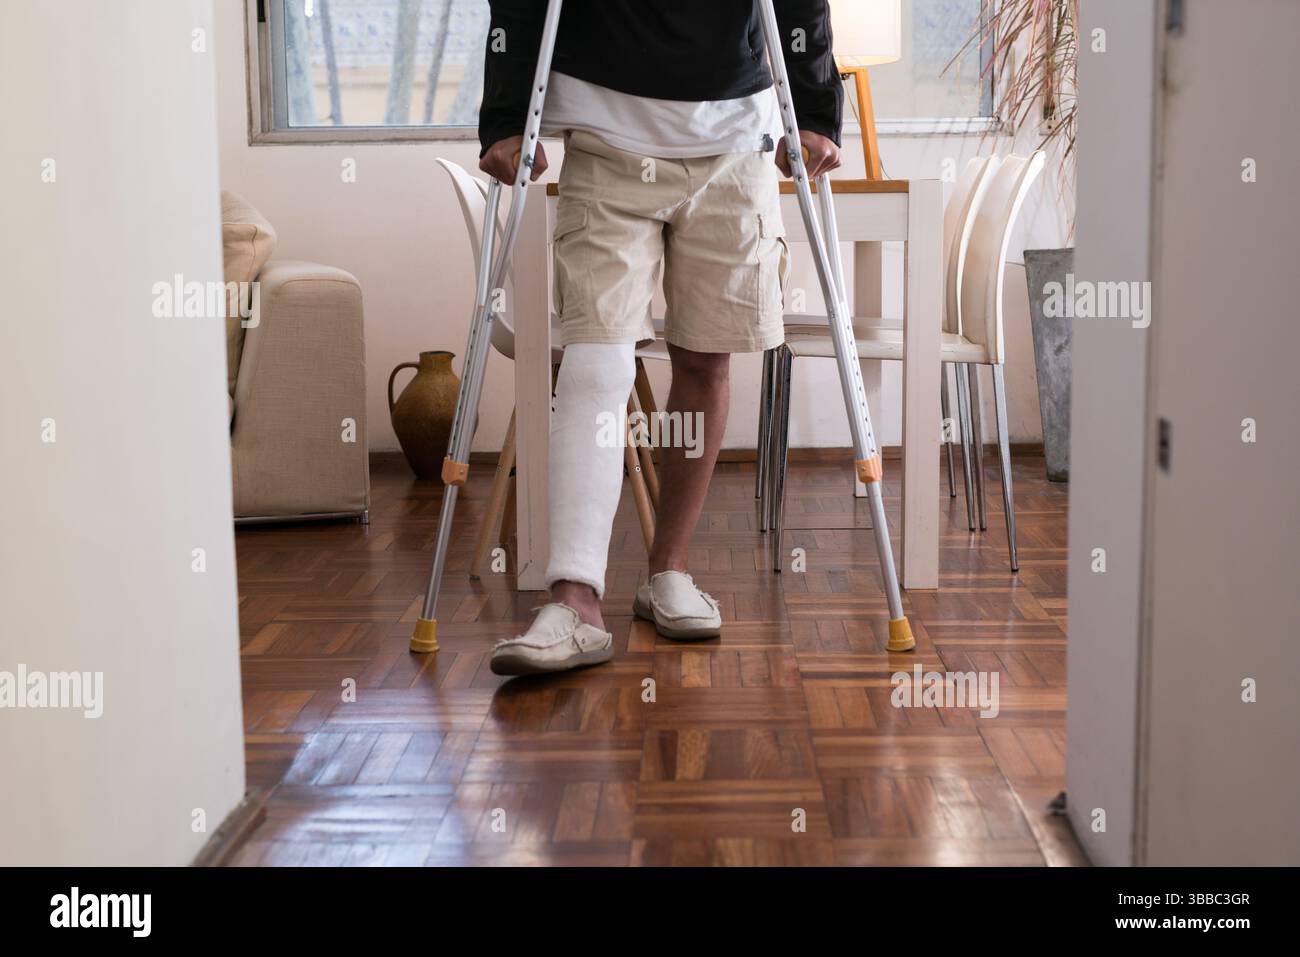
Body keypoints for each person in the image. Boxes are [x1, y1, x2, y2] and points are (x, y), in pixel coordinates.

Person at [481, 0, 843, 675]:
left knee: (705, 359)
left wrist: (817, 110)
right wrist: (504, 117)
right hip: (605, 133)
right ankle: (573, 598)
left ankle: (667, 571)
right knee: (595, 358)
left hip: (734, 139)